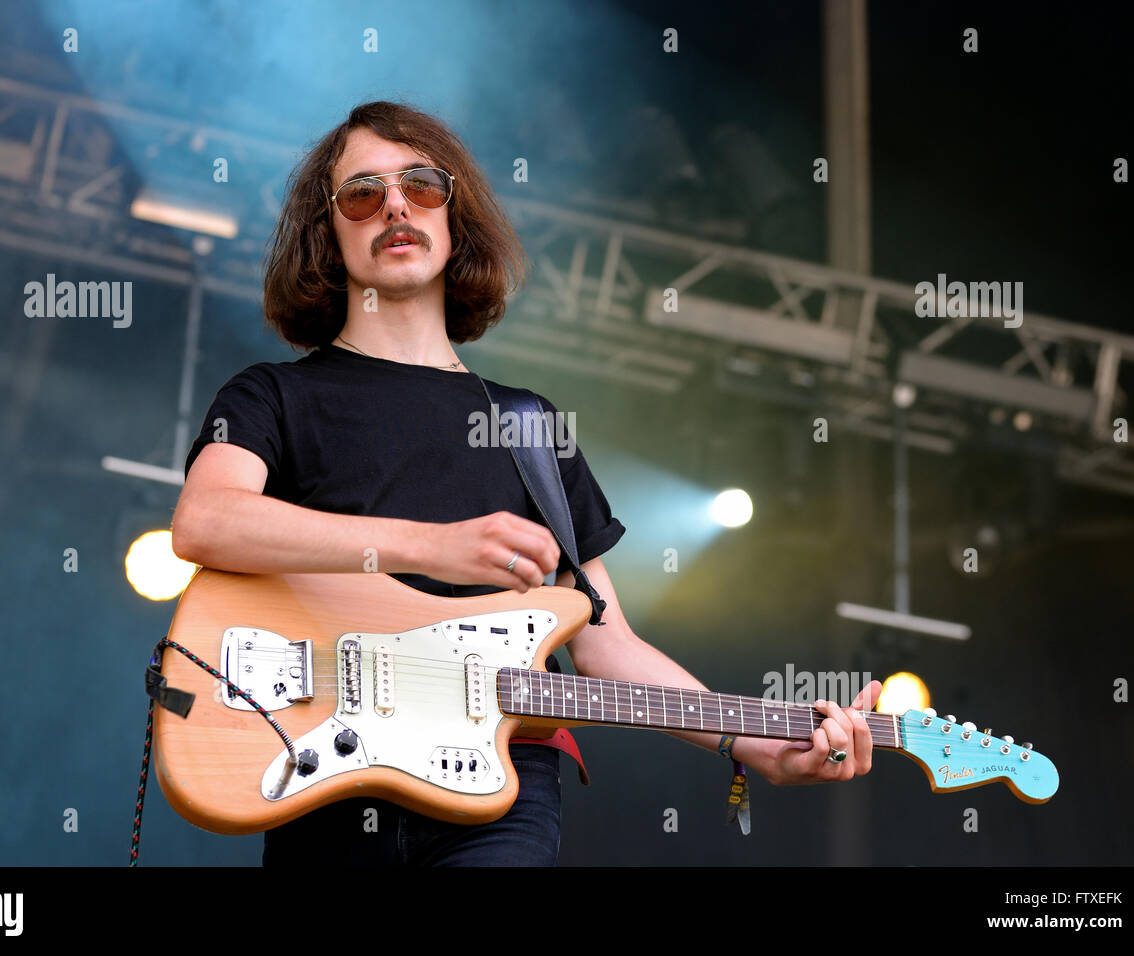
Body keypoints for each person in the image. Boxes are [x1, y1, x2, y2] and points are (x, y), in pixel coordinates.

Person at [171, 100, 881, 866]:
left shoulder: (530, 426)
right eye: (363, 194)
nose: (397, 205)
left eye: (422, 184)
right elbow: (205, 521)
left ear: (455, 214)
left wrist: (753, 742)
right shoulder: (272, 395)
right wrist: (432, 547)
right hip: (322, 775)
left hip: (497, 796)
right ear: (329, 234)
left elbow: (605, 645)